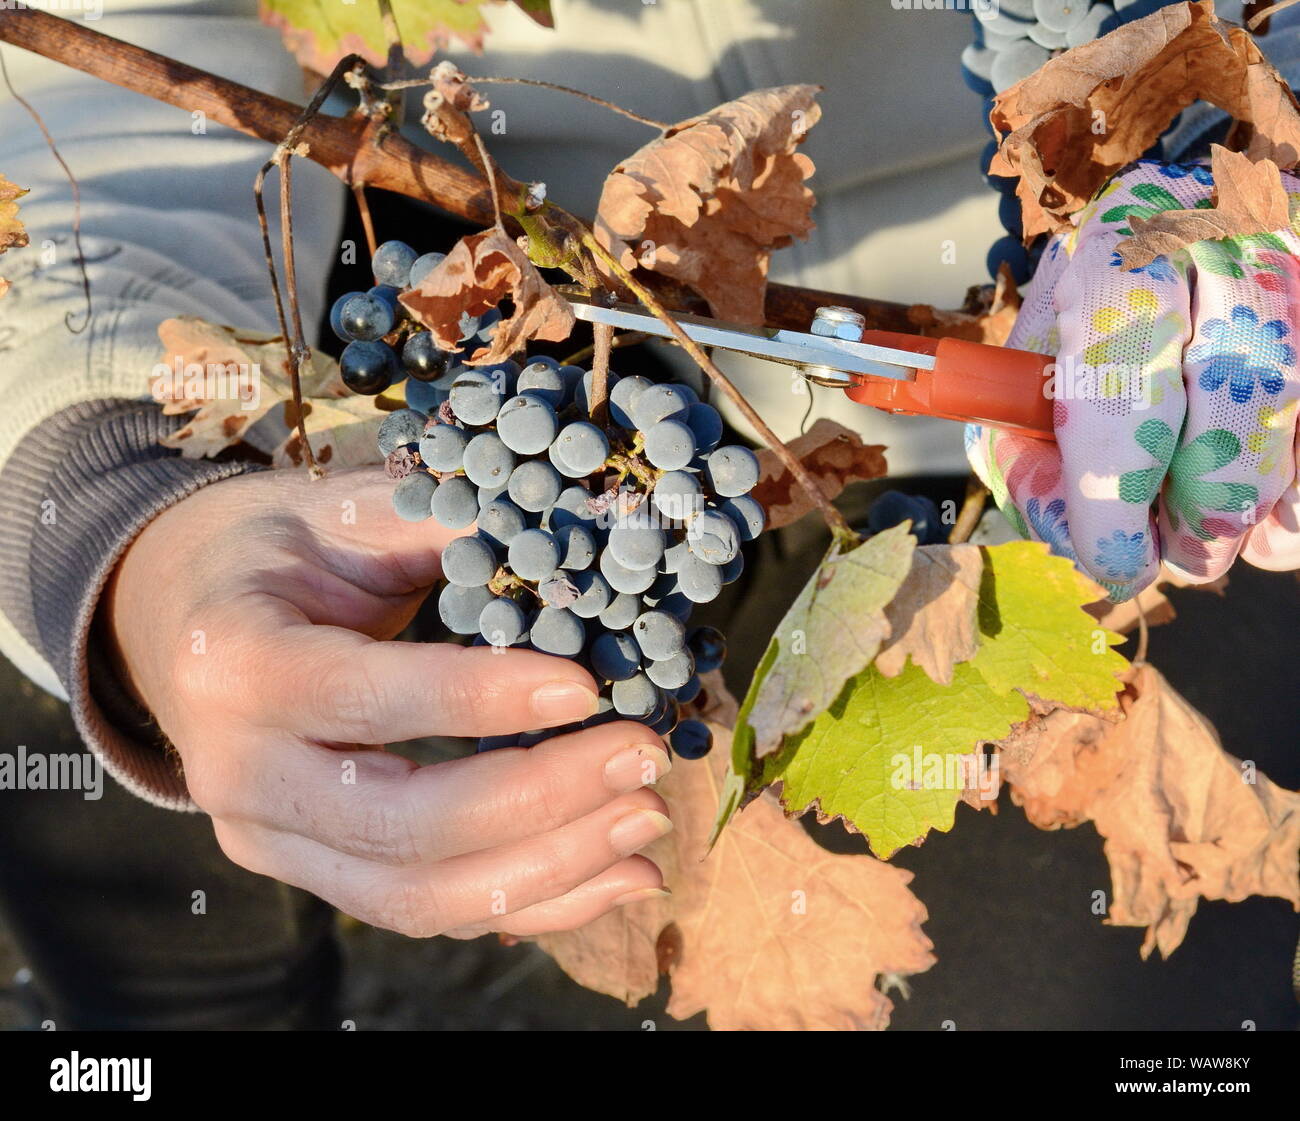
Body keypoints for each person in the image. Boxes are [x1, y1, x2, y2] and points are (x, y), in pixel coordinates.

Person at [0, 0, 1294, 1028]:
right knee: (141, 835)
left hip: (1070, 341)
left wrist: (1247, 153)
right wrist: (114, 494)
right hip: (395, 318)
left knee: (1065, 995)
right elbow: (92, 84)